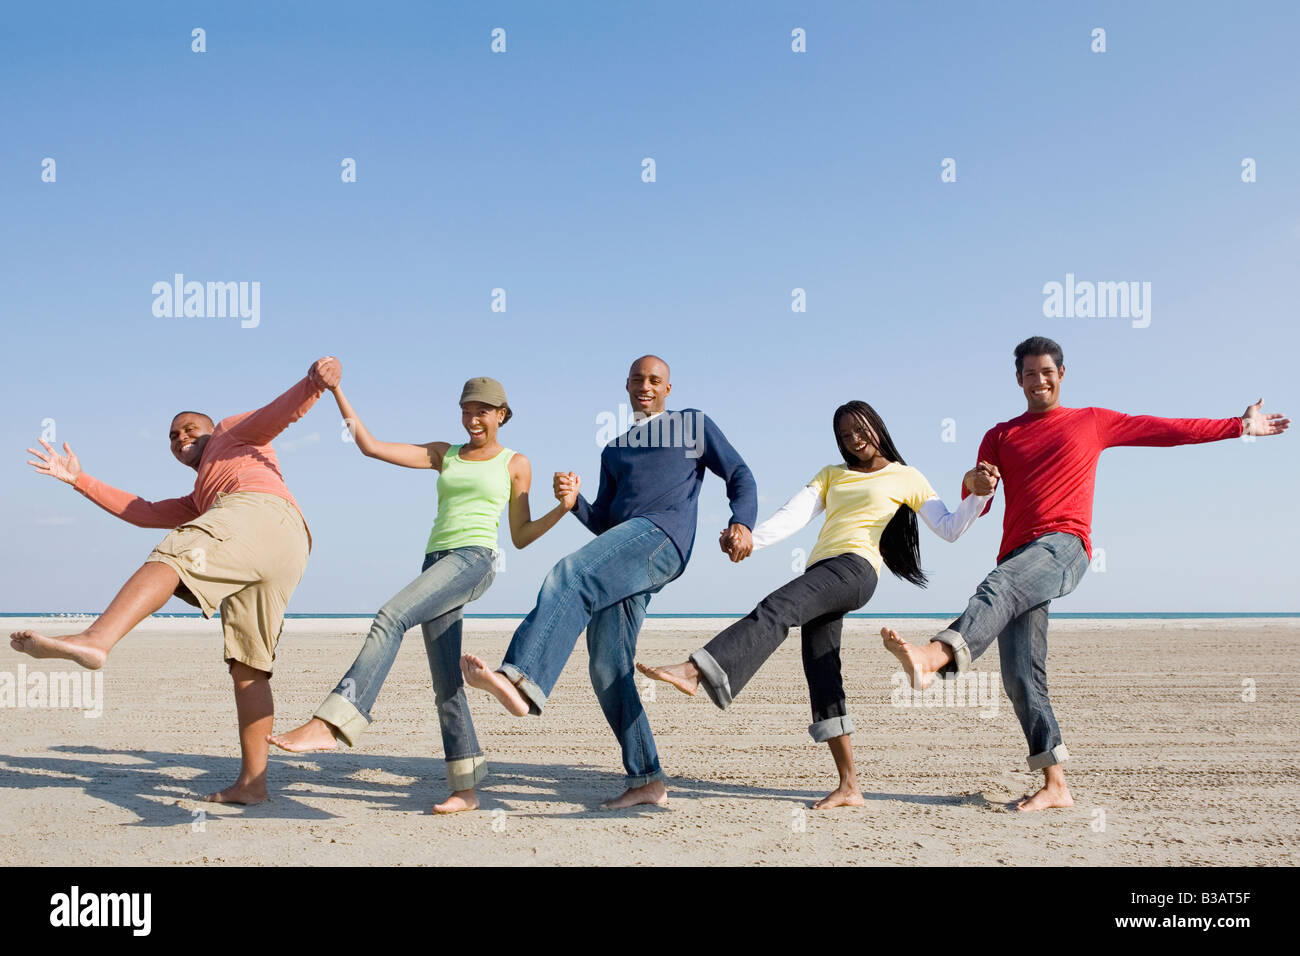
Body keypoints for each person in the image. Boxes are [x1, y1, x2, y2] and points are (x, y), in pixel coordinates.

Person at [883, 336, 1290, 811]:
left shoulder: (1090, 422)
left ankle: (934, 657)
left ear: (1062, 373)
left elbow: (1165, 429)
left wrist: (1238, 426)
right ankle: (1056, 784)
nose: (1039, 380)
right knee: (1020, 677)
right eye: (1029, 374)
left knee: (998, 588)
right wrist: (974, 484)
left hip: (1064, 546)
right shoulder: (1000, 434)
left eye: (1047, 371)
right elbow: (979, 496)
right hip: (1017, 556)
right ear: (1018, 380)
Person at [637, 401, 998, 809]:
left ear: (875, 425)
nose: (854, 440)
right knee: (821, 667)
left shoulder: (906, 476)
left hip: (857, 570)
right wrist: (751, 539)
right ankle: (849, 786)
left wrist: (977, 498)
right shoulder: (832, 475)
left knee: (777, 607)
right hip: (824, 571)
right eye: (845, 435)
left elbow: (949, 527)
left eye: (859, 429)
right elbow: (794, 515)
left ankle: (697, 670)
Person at [12, 358, 339, 804]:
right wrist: (79, 480)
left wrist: (313, 383)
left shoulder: (231, 433)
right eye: (172, 435)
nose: (180, 437)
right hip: (289, 544)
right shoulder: (199, 499)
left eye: (189, 429)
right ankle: (253, 783)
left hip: (258, 511)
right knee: (248, 665)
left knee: (175, 552)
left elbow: (277, 413)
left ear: (210, 430)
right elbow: (142, 511)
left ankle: (97, 638)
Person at [461, 355, 758, 809]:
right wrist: (574, 501)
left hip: (663, 538)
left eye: (655, 380)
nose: (646, 386)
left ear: (668, 389)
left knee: (569, 574)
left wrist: (742, 521)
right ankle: (647, 778)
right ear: (626, 385)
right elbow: (607, 527)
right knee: (607, 666)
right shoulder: (614, 450)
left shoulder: (693, 425)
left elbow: (739, 474)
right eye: (638, 379)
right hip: (627, 549)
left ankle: (520, 677)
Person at [267, 374, 570, 814]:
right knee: (447, 683)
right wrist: (336, 391)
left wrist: (562, 508)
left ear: (502, 414)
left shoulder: (514, 462)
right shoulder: (442, 454)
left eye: (482, 411)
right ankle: (466, 789)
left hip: (474, 560)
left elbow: (520, 535)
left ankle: (332, 722)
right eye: (466, 409)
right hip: (437, 563)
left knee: (390, 617)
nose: (472, 419)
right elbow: (370, 445)